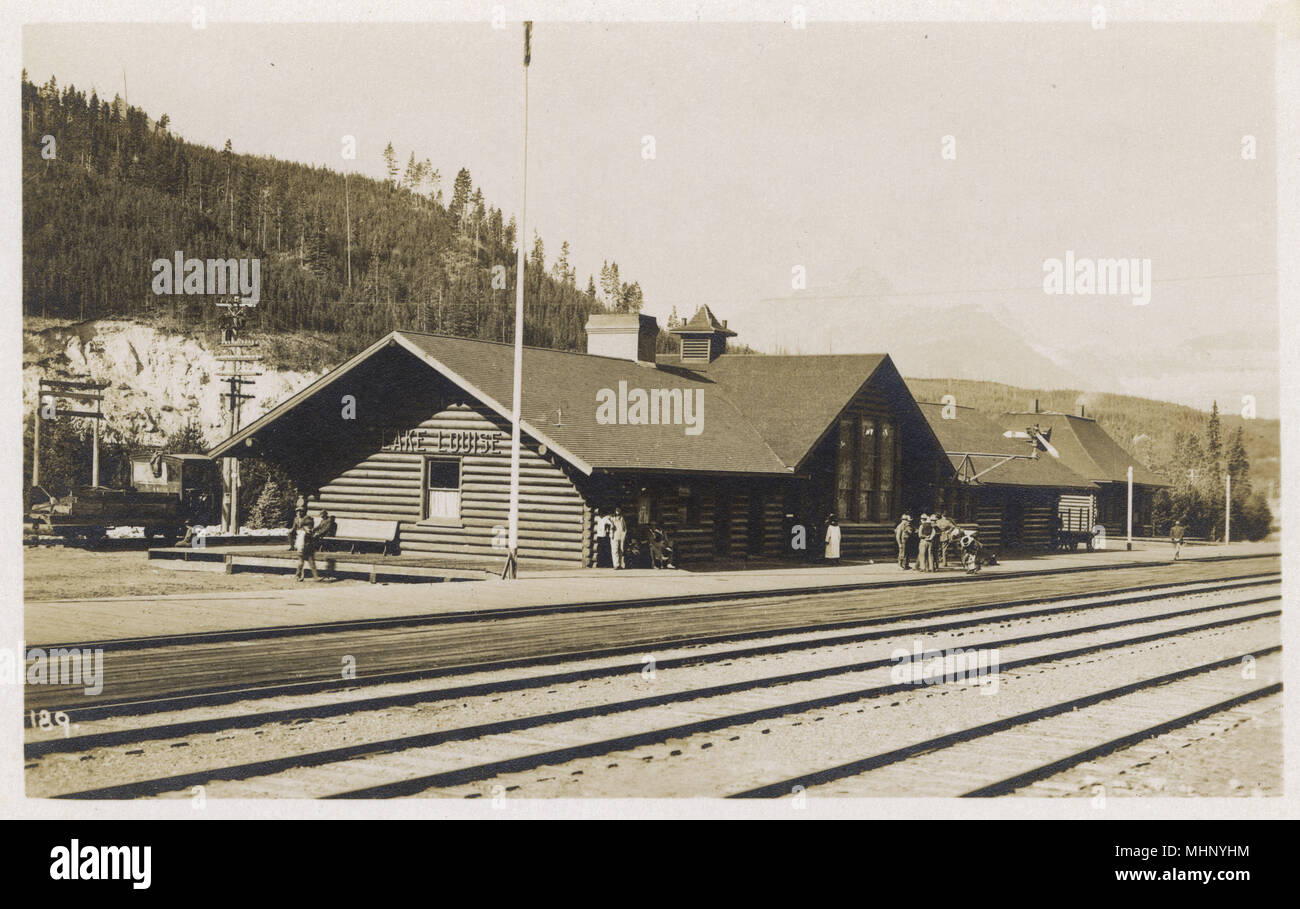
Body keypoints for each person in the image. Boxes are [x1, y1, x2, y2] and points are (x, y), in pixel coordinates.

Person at [294, 510, 321, 581]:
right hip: (302, 549)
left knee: (311, 563)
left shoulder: (310, 533)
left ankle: (315, 577)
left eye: (311, 526)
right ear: (304, 526)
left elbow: (312, 540)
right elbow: (300, 542)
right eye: (308, 526)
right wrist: (300, 548)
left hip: (309, 550)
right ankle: (298, 575)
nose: (309, 527)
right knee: (301, 563)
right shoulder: (302, 533)